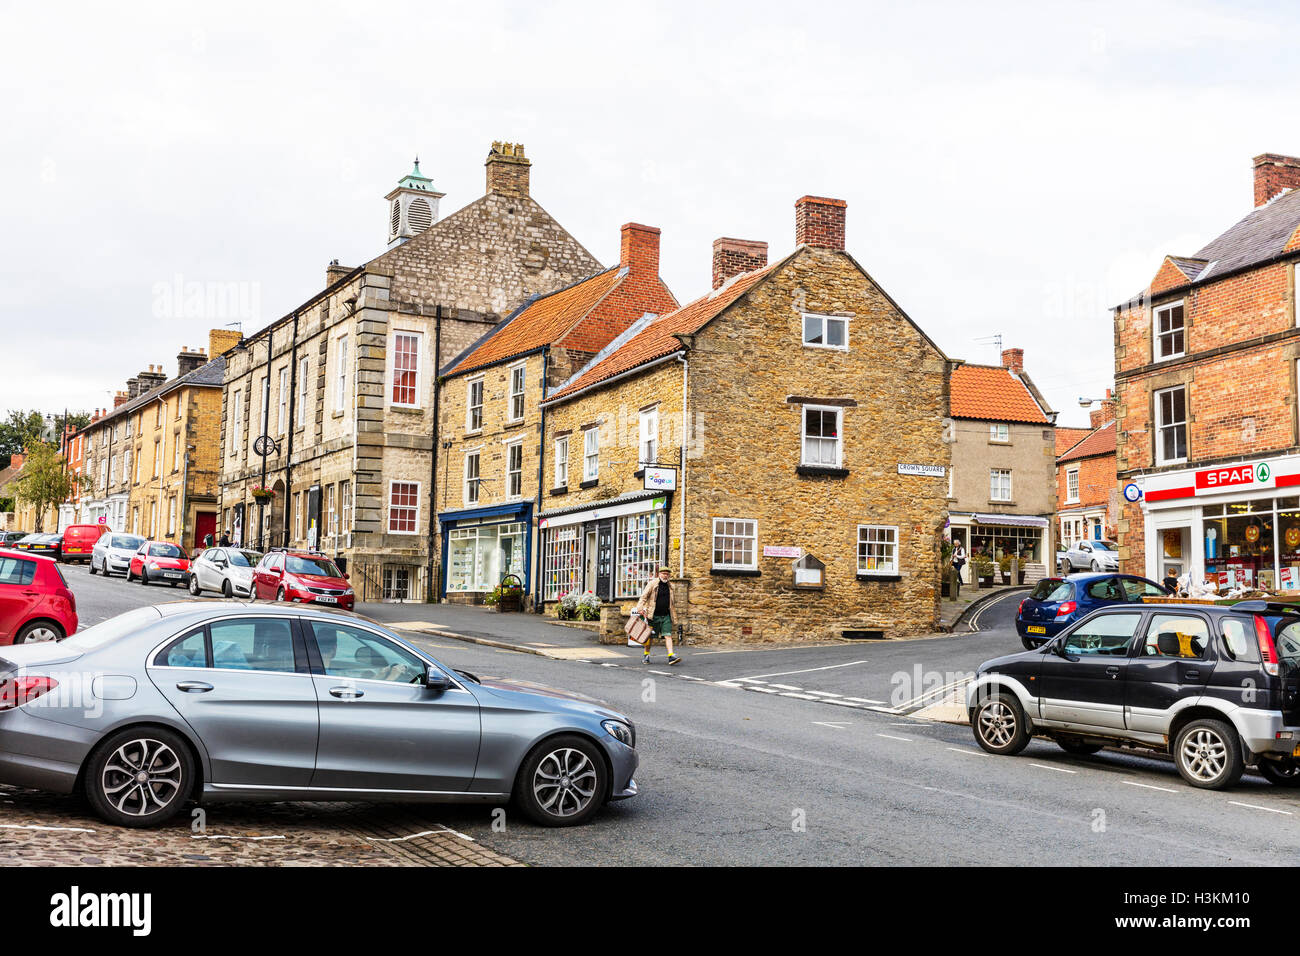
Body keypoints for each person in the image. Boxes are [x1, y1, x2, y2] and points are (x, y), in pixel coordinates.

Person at [635, 566, 681, 665]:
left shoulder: (671, 586)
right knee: (650, 637)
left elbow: (672, 602)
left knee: (668, 635)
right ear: (659, 574)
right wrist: (640, 608)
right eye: (663, 573)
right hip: (653, 615)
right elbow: (643, 597)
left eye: (667, 574)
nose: (665, 576)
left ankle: (671, 656)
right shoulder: (652, 584)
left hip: (666, 616)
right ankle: (646, 655)